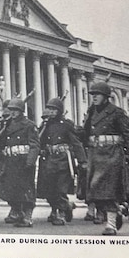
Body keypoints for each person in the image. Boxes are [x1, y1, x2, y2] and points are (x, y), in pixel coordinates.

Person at [82, 79, 129, 235]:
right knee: (95, 191)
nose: (94, 97)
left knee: (109, 190)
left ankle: (111, 224)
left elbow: (128, 134)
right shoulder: (91, 112)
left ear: (106, 96)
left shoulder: (117, 112)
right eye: (92, 94)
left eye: (98, 95)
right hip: (95, 154)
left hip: (112, 154)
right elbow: (86, 133)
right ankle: (118, 210)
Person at [37, 97, 86, 226]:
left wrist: (82, 161)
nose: (51, 112)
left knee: (60, 189)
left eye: (54, 109)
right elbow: (38, 141)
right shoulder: (45, 125)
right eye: (49, 109)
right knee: (49, 189)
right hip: (49, 161)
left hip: (63, 160)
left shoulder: (66, 125)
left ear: (59, 111)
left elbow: (76, 143)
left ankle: (61, 213)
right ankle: (62, 207)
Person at [0, 95, 40, 227]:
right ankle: (17, 212)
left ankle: (27, 216)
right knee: (11, 189)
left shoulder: (29, 125)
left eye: (15, 110)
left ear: (21, 111)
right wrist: (0, 128)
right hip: (10, 161)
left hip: (24, 162)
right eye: (11, 110)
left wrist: (30, 161)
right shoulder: (7, 125)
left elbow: (35, 145)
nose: (12, 112)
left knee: (26, 189)